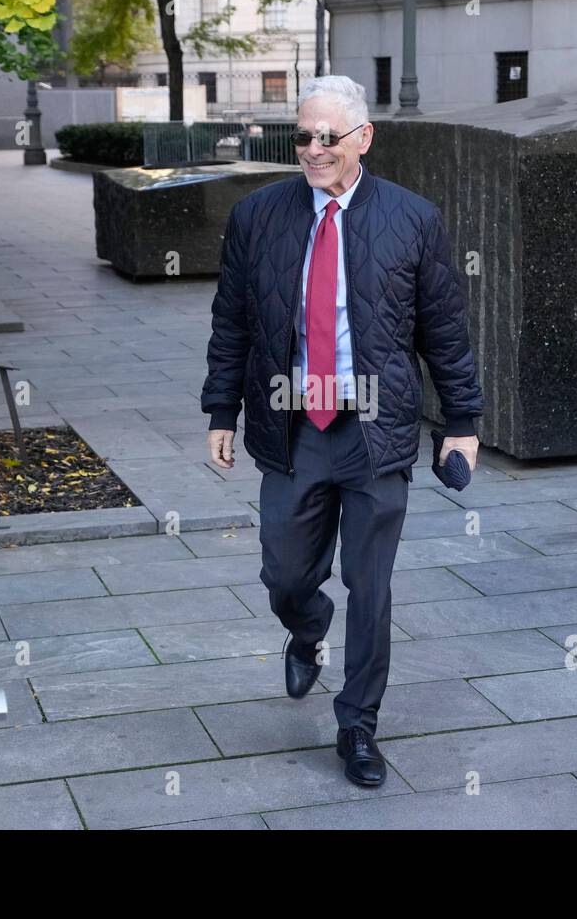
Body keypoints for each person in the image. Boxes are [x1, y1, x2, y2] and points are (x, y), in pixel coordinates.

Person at [201, 74, 484, 787]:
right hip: (292, 422)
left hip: (376, 428)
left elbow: (444, 329)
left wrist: (463, 422)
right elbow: (231, 320)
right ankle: (304, 623)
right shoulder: (257, 216)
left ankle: (358, 723)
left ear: (364, 138)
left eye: (330, 136)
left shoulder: (412, 218)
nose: (315, 149)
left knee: (371, 583)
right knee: (284, 571)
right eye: (304, 136)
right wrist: (220, 411)